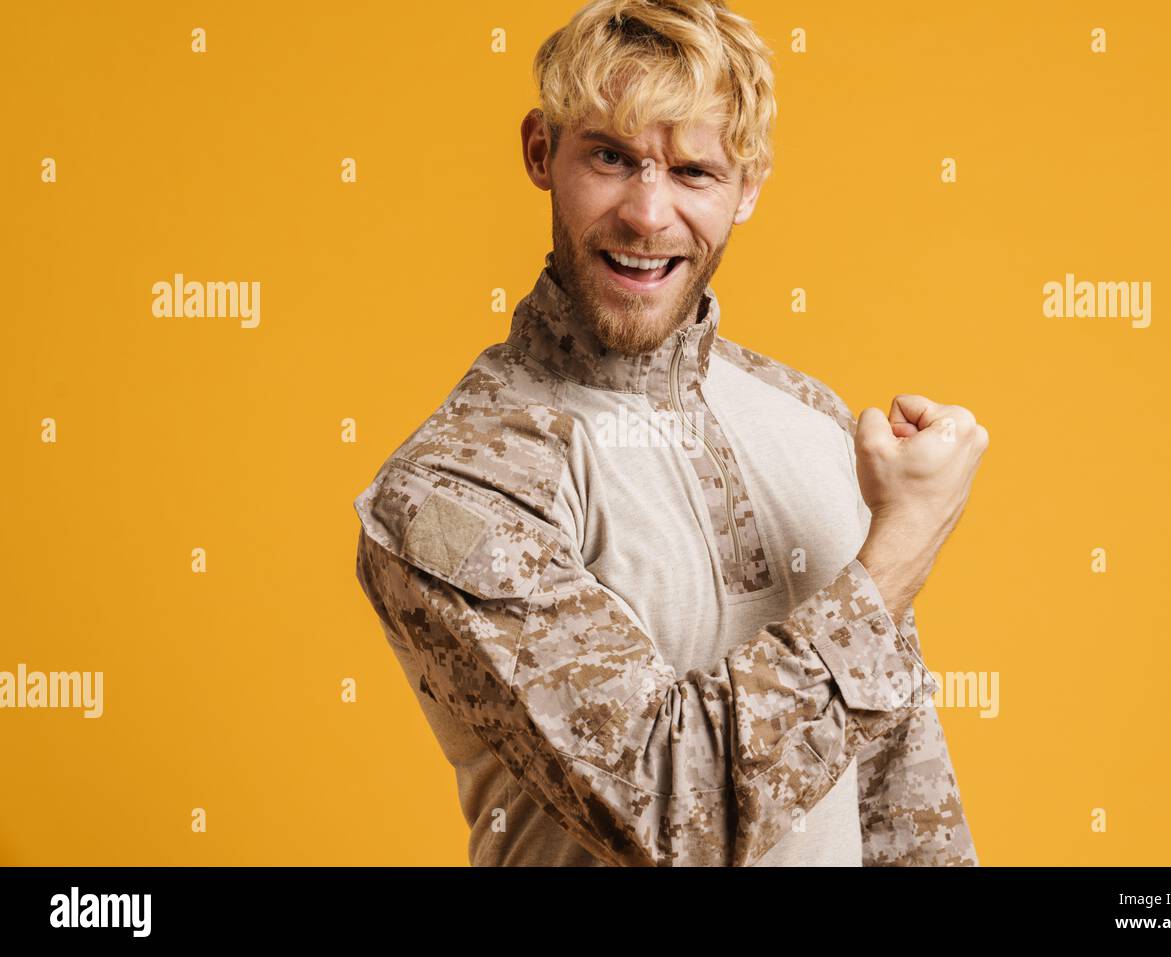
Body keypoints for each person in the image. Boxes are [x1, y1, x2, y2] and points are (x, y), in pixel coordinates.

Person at [352, 0, 988, 867]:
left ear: (750, 185)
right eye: (612, 157)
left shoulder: (815, 419)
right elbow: (672, 809)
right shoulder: (450, 487)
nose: (648, 214)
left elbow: (901, 796)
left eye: (693, 171)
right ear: (542, 152)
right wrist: (900, 550)